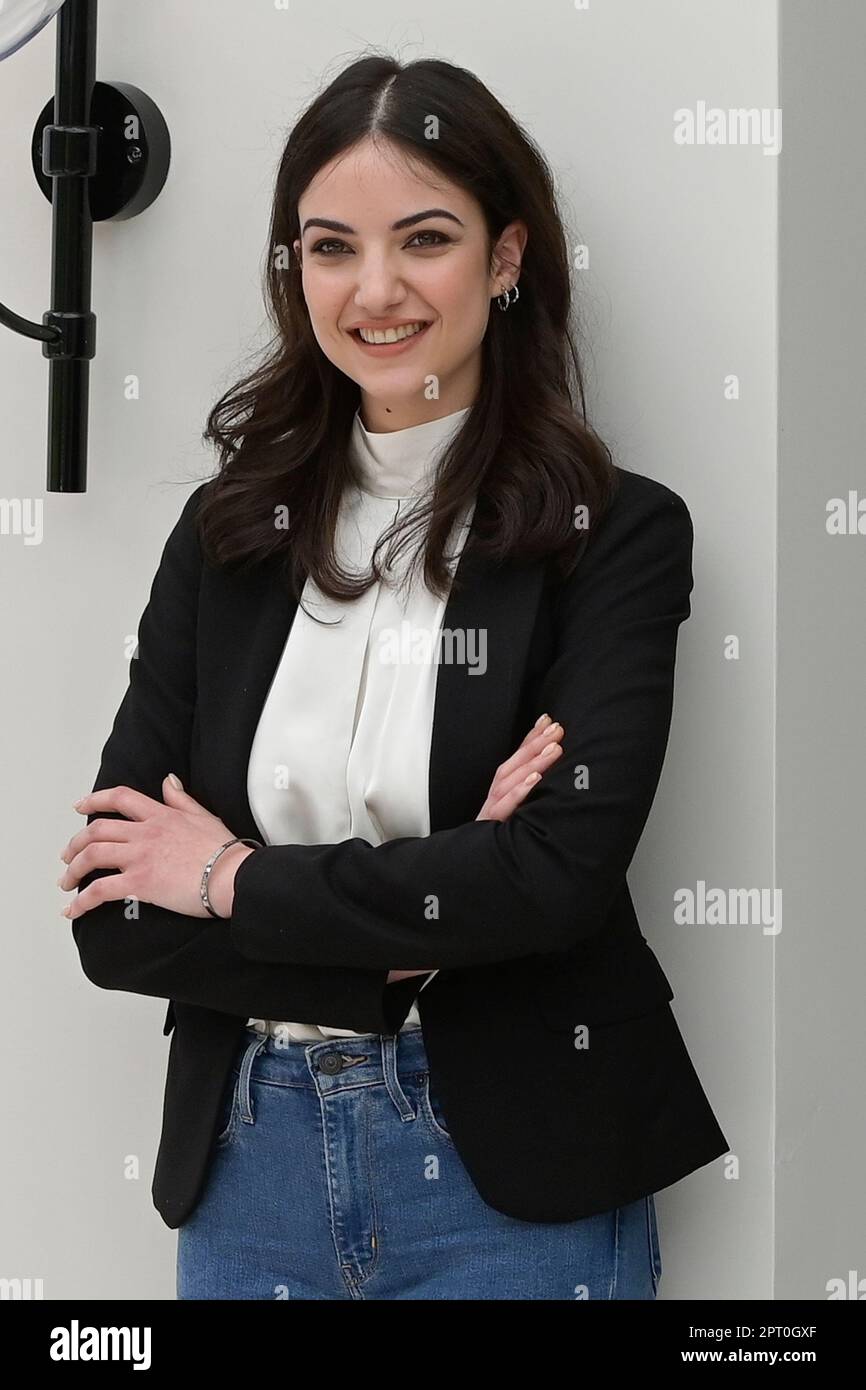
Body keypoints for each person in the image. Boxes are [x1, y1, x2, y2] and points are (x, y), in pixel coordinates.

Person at [60, 53, 729, 1300]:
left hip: (509, 1175)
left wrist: (225, 876)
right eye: (328, 247)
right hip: (247, 1167)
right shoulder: (226, 536)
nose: (374, 289)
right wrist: (420, 927)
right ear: (292, 268)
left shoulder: (615, 535)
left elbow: (550, 881)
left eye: (423, 238)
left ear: (506, 255)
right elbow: (116, 908)